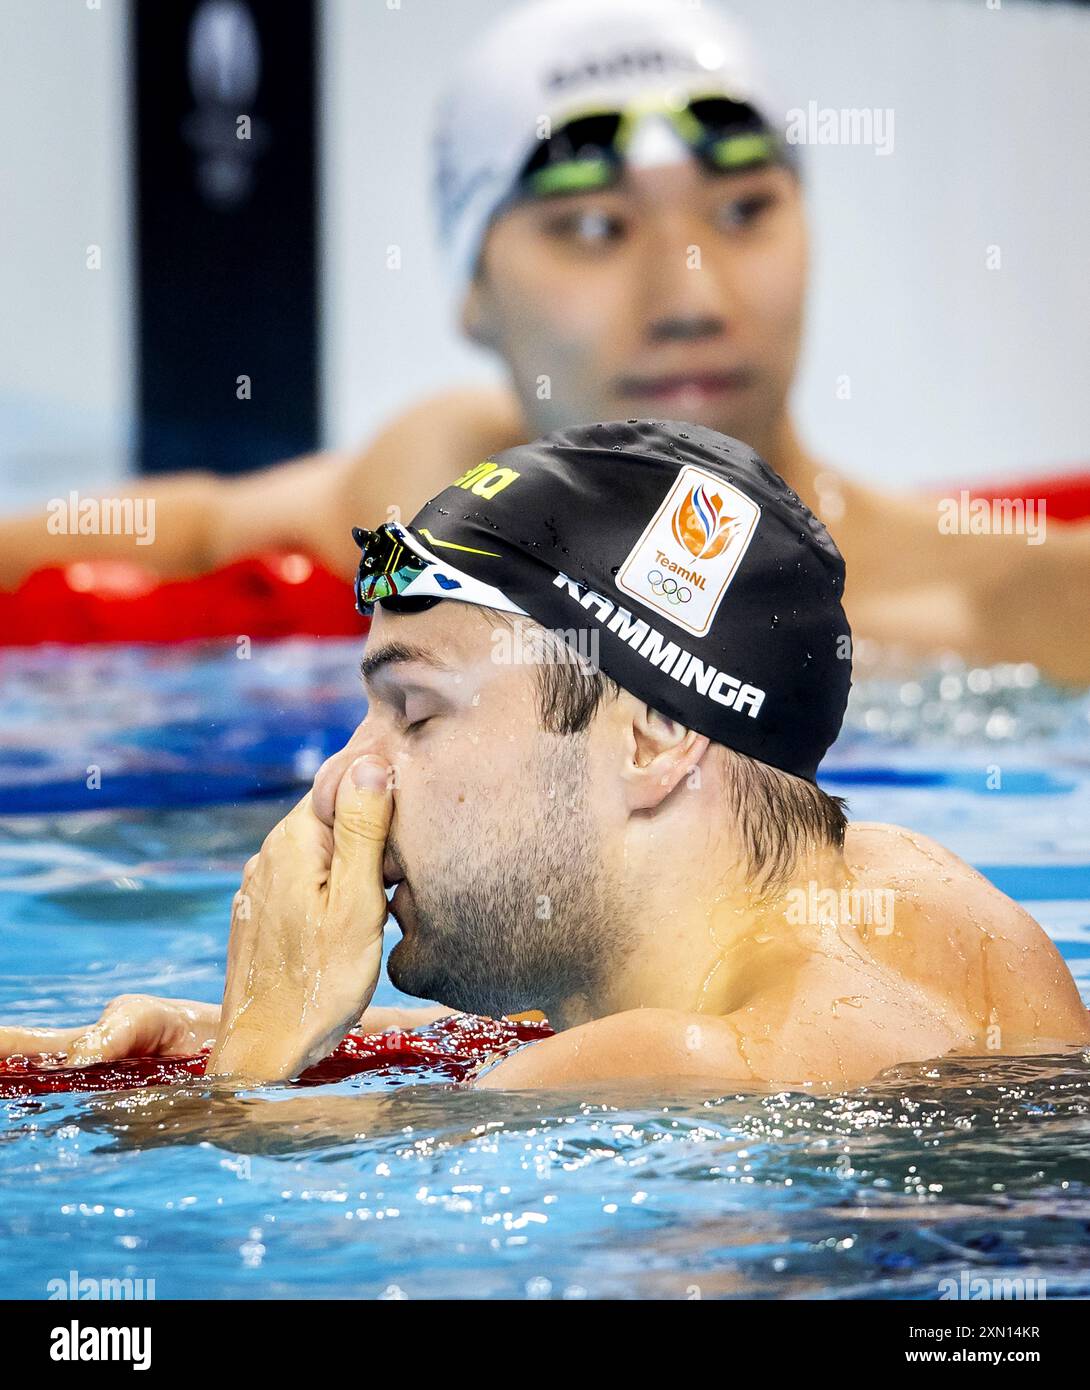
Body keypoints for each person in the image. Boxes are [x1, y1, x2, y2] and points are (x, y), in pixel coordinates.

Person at [2, 0, 1088, 681]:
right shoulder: (443, 481)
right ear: (473, 290)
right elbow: (197, 529)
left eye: (744, 209)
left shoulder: (1008, 600)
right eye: (594, 227)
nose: (689, 295)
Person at [4, 421, 1086, 1090]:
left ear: (653, 736)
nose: (341, 781)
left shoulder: (699, 1077)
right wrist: (213, 1031)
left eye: (415, 711)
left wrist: (251, 1065)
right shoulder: (917, 895)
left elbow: (252, 1218)